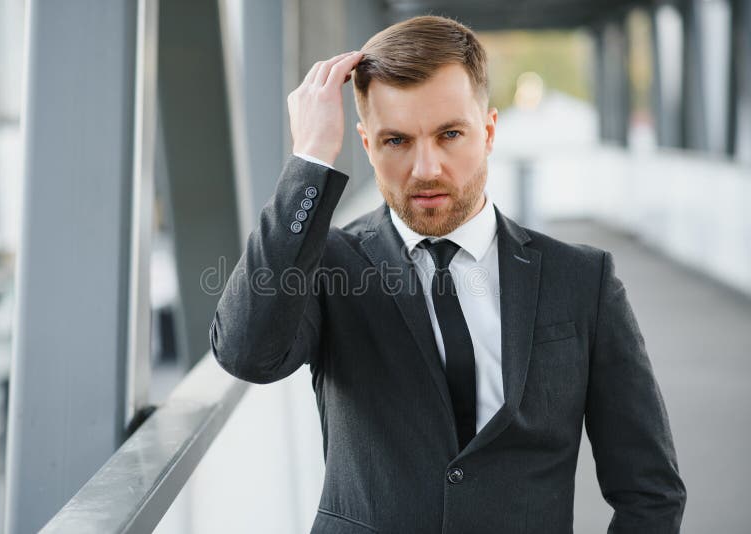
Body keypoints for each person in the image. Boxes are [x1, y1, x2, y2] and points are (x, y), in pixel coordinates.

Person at [209, 15, 685, 534]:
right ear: (366, 146)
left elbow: (650, 492)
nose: (426, 169)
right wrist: (309, 162)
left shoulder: (583, 280)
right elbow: (245, 353)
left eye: (450, 134)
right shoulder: (326, 266)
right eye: (397, 141)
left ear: (489, 132)